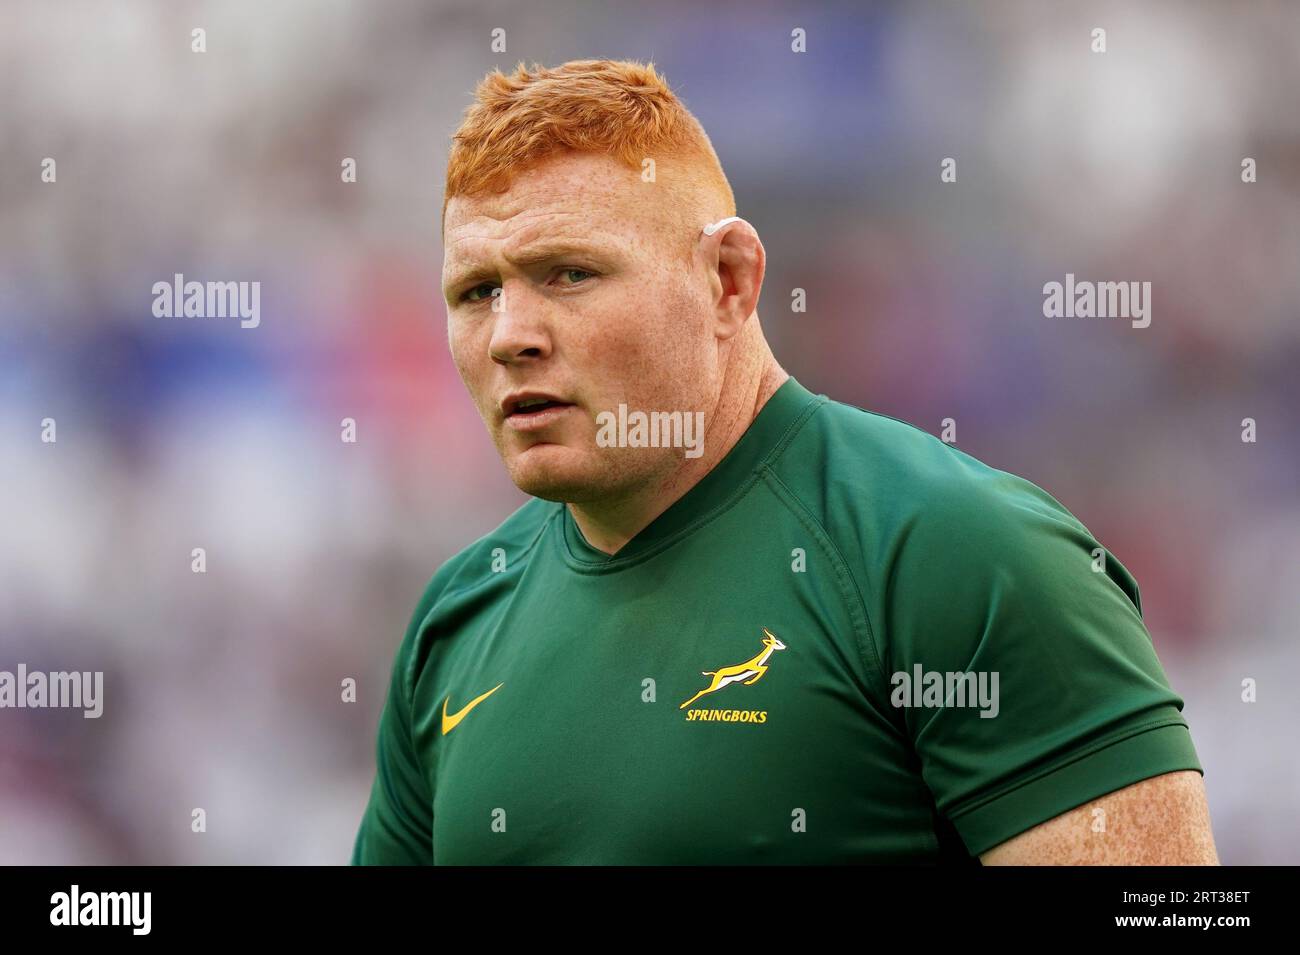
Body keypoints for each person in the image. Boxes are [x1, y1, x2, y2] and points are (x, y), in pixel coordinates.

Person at [352, 59, 1218, 864]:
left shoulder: (960, 555)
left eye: (569, 273)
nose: (509, 336)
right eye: (476, 292)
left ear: (728, 280)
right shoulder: (456, 624)